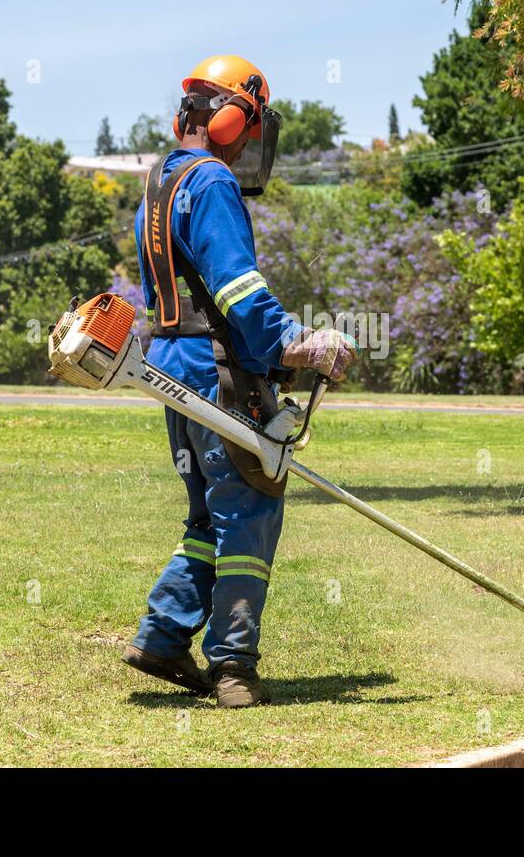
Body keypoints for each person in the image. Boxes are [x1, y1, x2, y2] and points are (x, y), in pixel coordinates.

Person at [121, 55, 357, 708]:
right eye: (250, 128)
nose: (252, 143)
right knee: (249, 507)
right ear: (230, 119)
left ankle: (164, 635)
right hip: (217, 372)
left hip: (170, 365)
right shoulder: (216, 184)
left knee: (209, 512)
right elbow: (237, 288)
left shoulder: (161, 184)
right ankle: (232, 666)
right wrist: (295, 343)